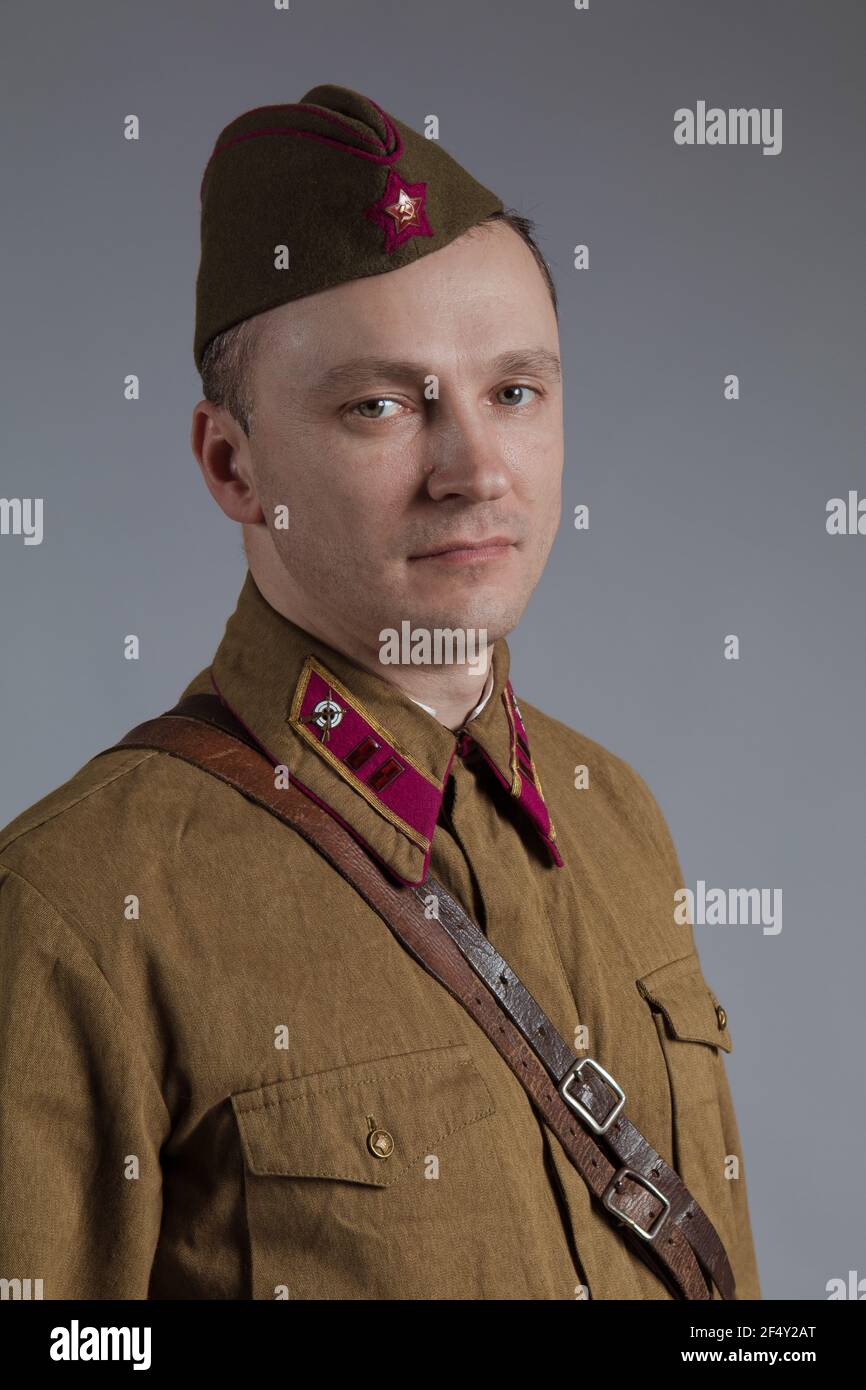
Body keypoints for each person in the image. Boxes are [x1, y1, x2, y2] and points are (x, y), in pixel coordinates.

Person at [0, 84, 761, 1300]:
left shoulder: (615, 817)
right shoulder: (79, 905)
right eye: (380, 405)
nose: (472, 470)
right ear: (233, 464)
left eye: (513, 391)